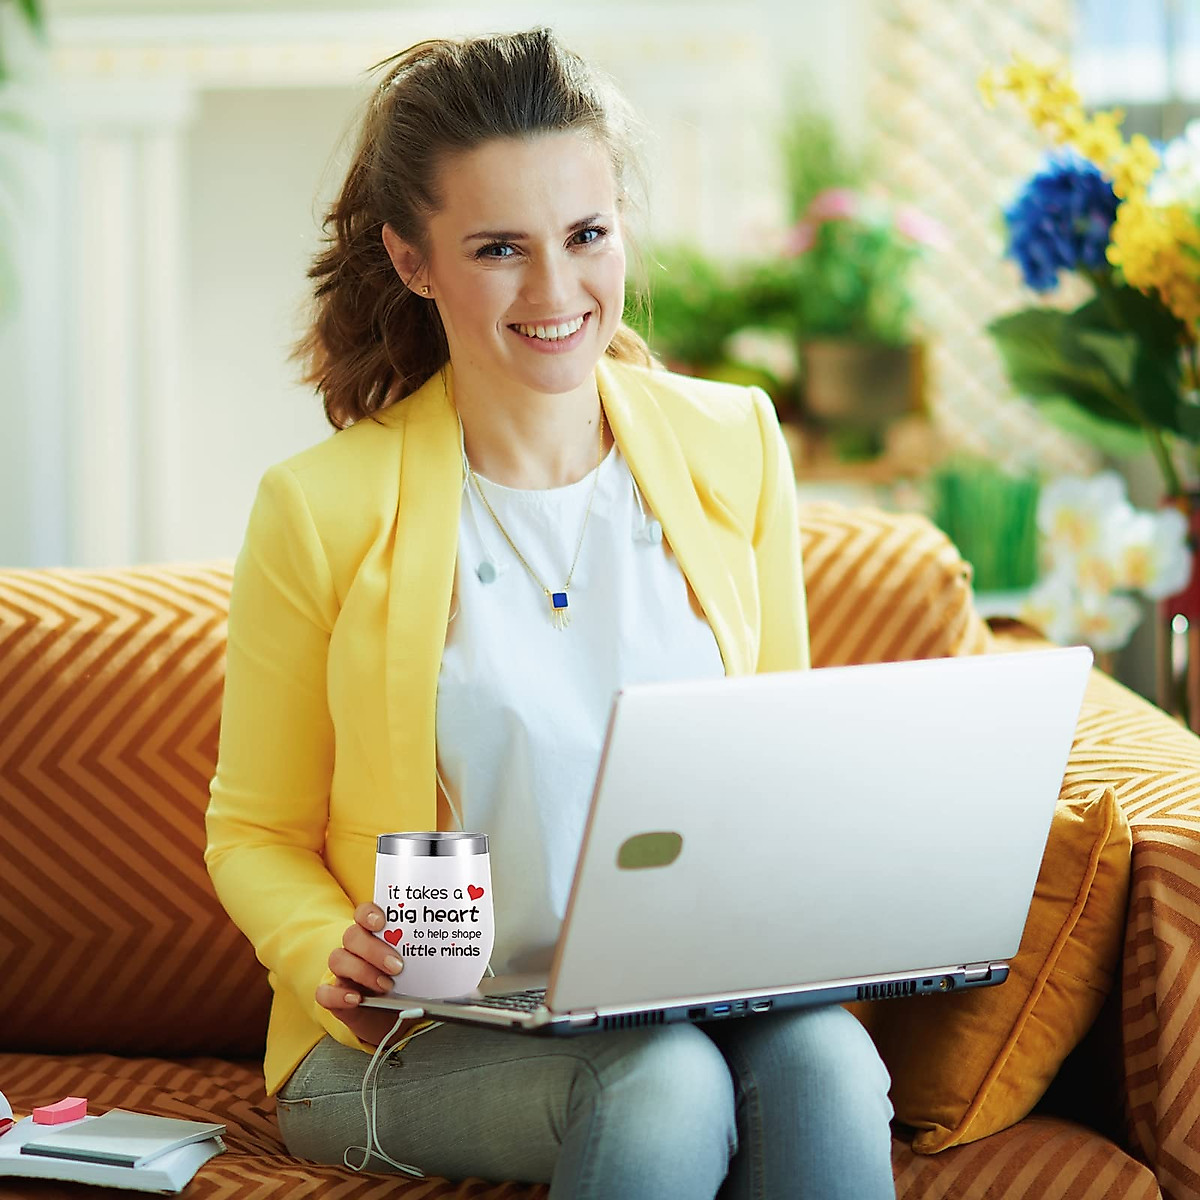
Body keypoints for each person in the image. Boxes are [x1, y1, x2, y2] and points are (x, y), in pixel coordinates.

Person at [205, 26, 896, 1200]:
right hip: (416, 1040)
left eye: (585, 236)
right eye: (497, 250)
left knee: (826, 1054)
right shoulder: (318, 510)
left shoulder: (735, 449)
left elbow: (777, 769)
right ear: (414, 262)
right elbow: (253, 830)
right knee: (664, 1080)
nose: (556, 291)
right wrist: (326, 947)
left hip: (683, 990)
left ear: (620, 220)